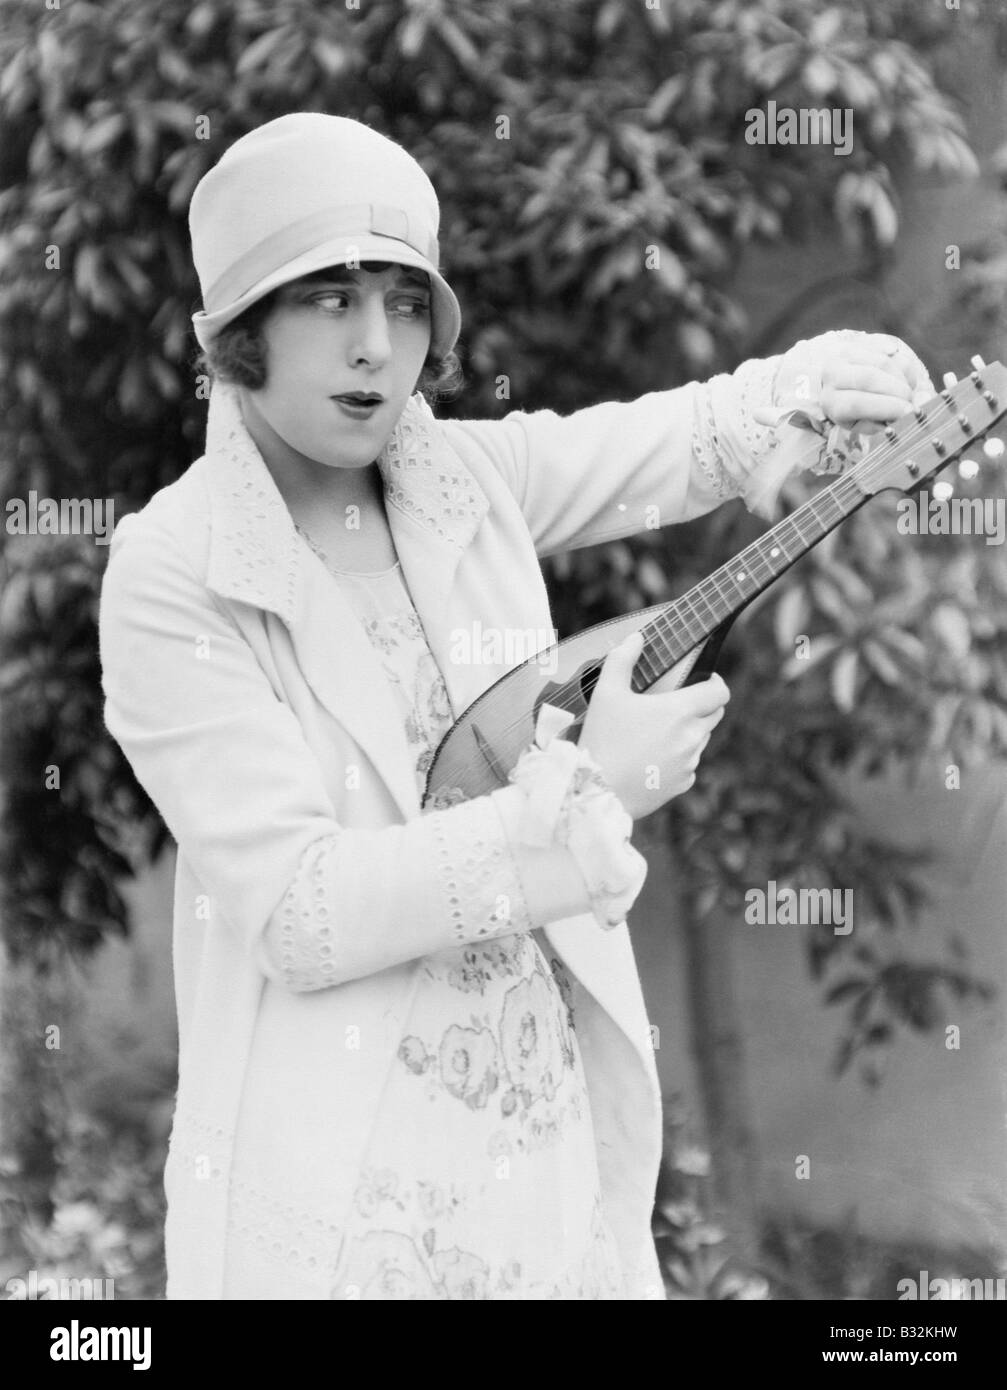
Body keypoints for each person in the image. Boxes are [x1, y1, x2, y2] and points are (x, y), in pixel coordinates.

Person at [98, 113, 933, 1300]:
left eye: (402, 300)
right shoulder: (175, 566)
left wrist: (810, 390)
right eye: (328, 299)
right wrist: (590, 798)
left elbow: (676, 440)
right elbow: (303, 912)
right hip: (343, 1211)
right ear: (238, 330)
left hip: (541, 1172)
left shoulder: (462, 482)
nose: (375, 348)